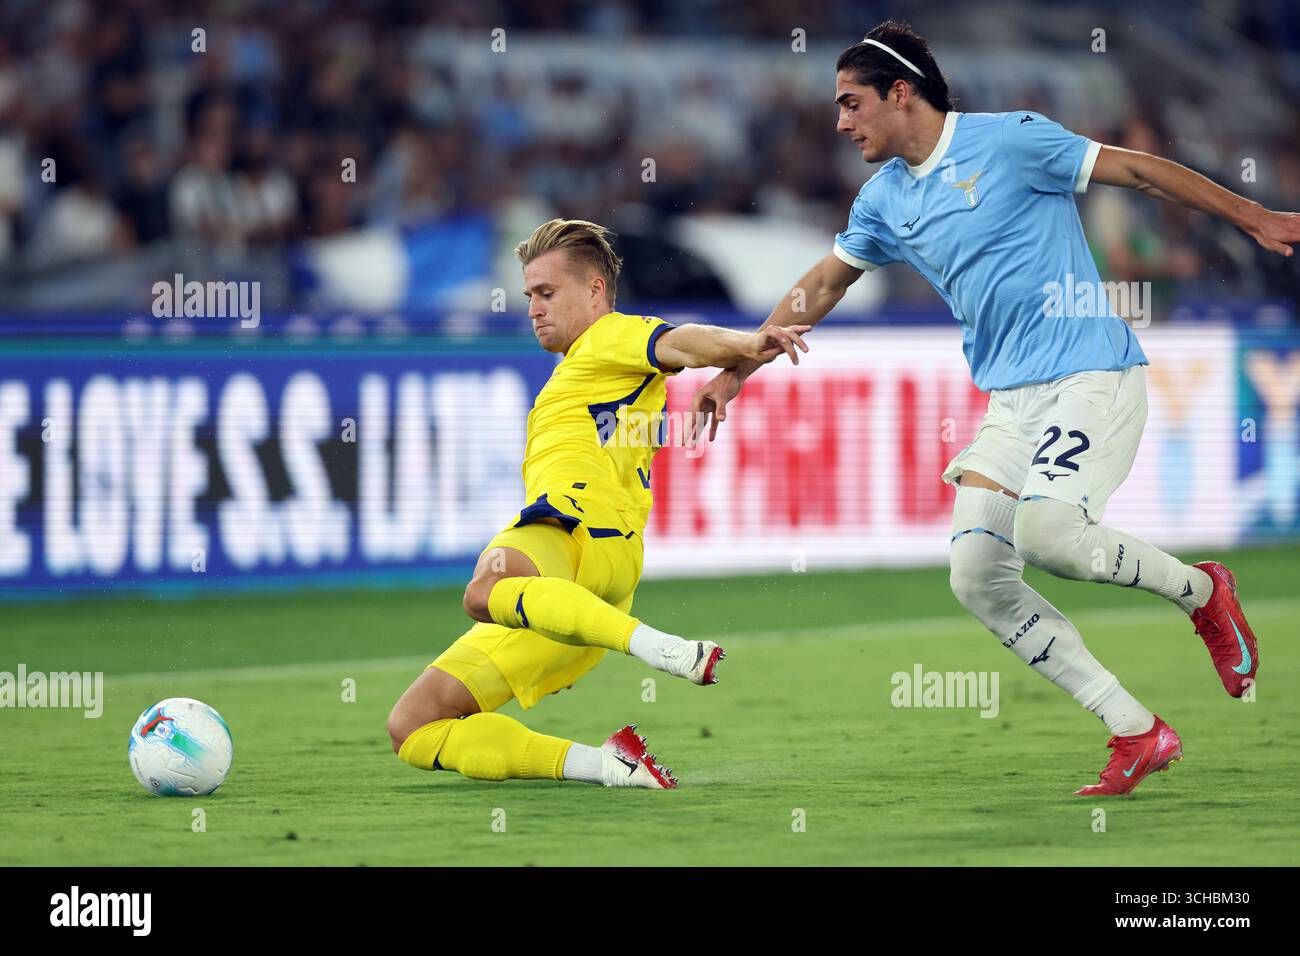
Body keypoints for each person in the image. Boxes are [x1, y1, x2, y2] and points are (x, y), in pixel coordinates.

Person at [690, 21, 1299, 795]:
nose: (841, 122)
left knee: (1048, 533)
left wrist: (1254, 216)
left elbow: (1139, 173)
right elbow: (825, 282)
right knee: (976, 573)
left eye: (851, 103)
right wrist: (739, 368)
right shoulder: (883, 199)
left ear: (900, 93)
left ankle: (1205, 593)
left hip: (1091, 373)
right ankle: (1136, 730)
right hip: (1012, 404)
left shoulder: (1011, 141)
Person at [388, 218, 809, 789]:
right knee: (414, 725)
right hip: (583, 597)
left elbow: (679, 341)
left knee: (484, 589)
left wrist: (743, 345)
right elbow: (636, 428)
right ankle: (610, 765)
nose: (534, 308)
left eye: (546, 292)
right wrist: (681, 417)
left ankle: (667, 650)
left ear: (593, 290)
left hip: (573, 533)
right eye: (529, 295)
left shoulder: (609, 336)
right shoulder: (596, 379)